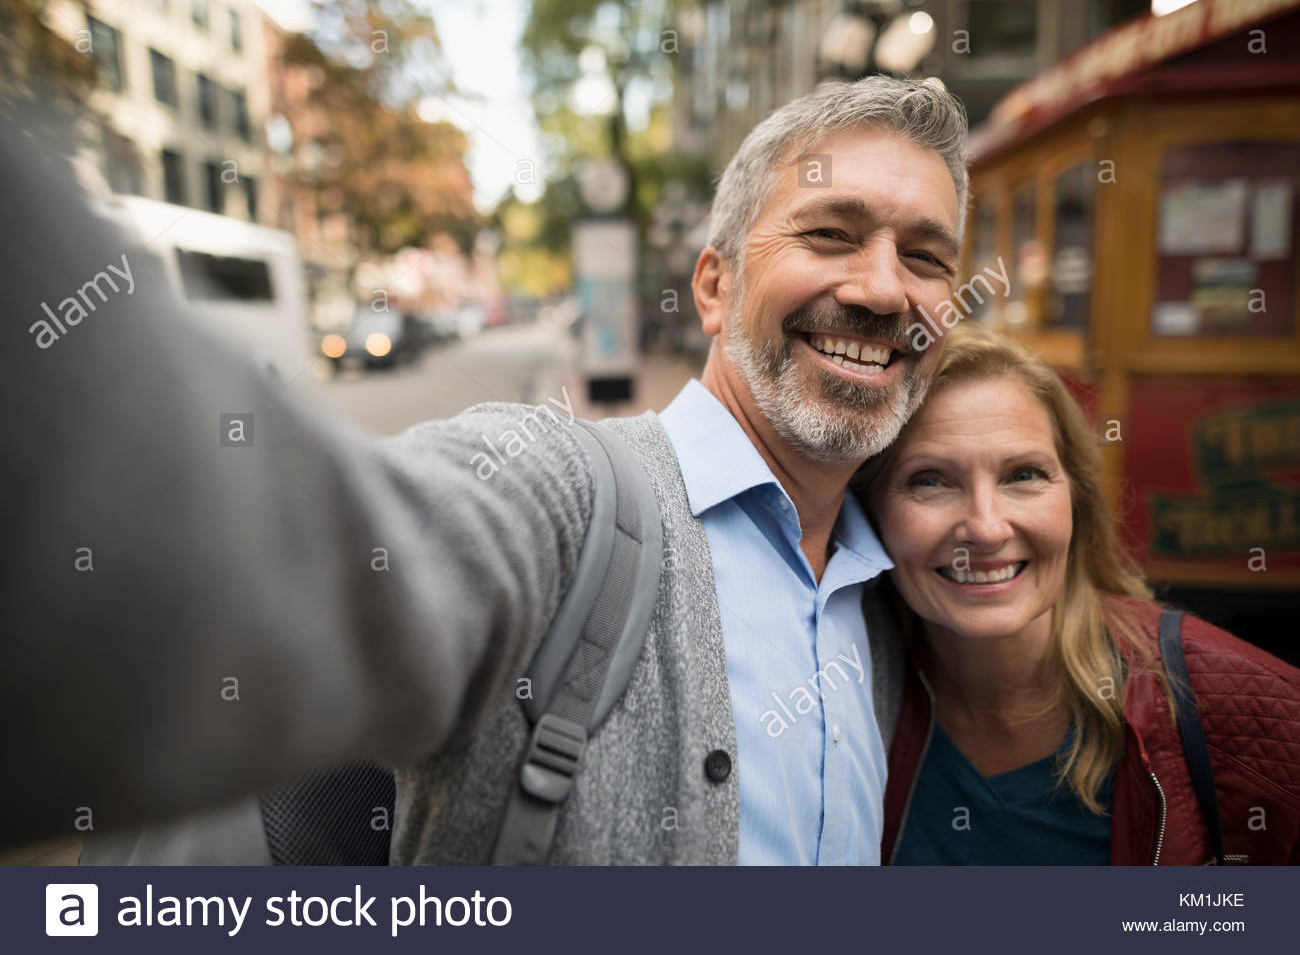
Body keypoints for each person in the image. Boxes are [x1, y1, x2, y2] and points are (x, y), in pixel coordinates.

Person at [0, 75, 968, 864]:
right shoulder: (560, 490)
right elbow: (290, 575)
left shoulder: (893, 583)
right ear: (715, 285)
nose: (883, 287)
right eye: (830, 234)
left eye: (925, 257)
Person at [858, 321, 1300, 865]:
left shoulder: (1244, 708)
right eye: (929, 480)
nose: (988, 528)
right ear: (867, 513)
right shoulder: (842, 697)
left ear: (1077, 501)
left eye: (1023, 474)